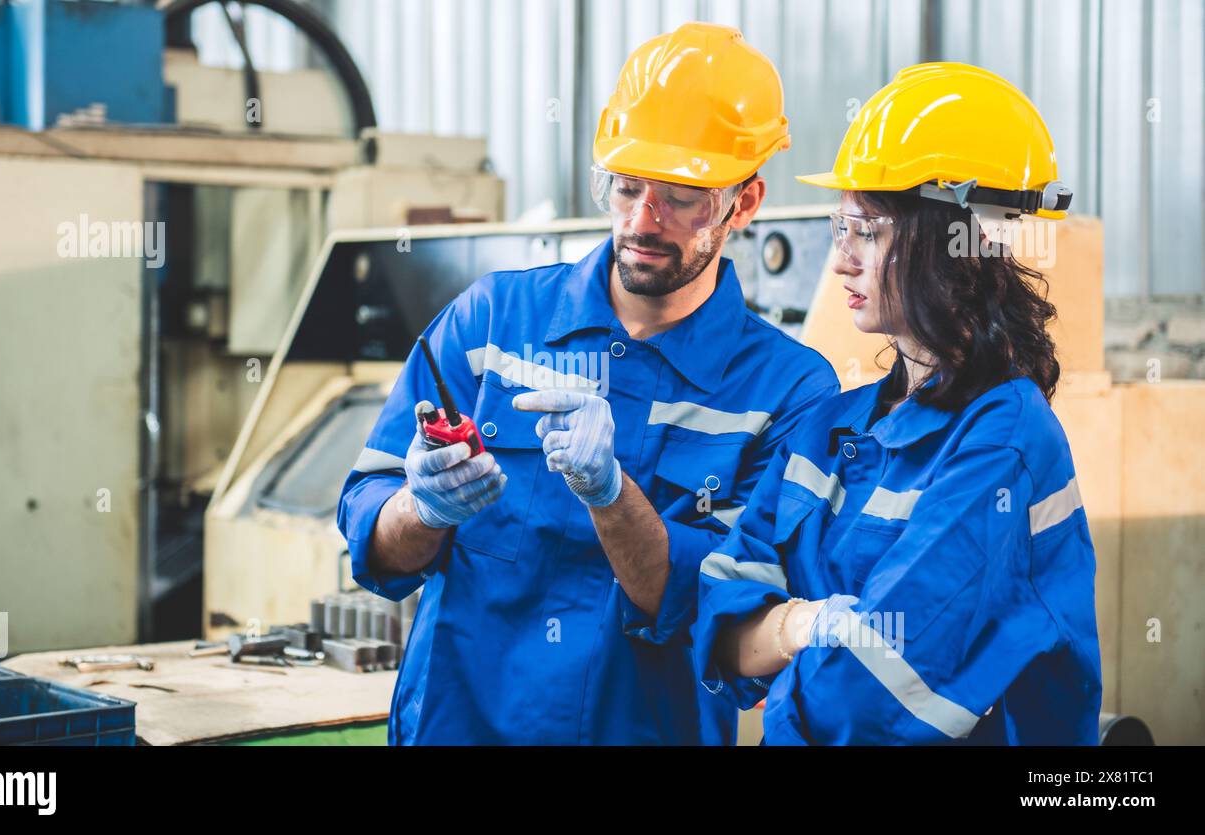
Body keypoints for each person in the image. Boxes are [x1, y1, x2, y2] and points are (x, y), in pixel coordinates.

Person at [337, 22, 838, 744]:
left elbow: (719, 618)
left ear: (746, 201)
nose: (642, 220)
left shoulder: (788, 395)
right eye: (626, 187)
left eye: (680, 197)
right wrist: (422, 506)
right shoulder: (490, 324)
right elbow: (373, 541)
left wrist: (612, 497)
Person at [692, 62, 1102, 744]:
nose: (842, 261)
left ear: (953, 247)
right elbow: (720, 629)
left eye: (869, 232)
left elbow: (866, 694)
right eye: (840, 229)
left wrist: (786, 635)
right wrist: (807, 625)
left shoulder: (1004, 440)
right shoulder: (831, 425)